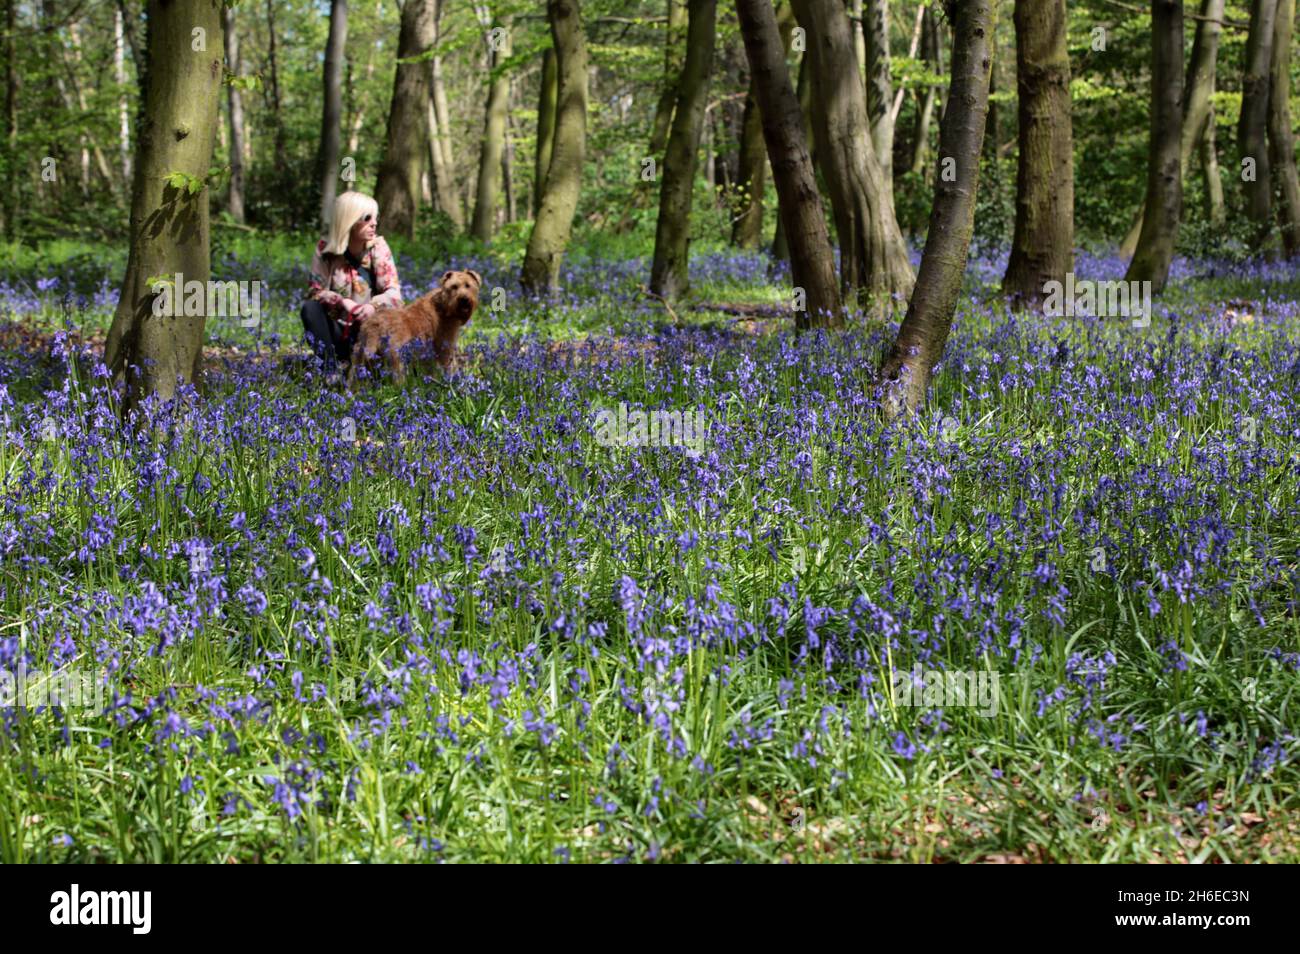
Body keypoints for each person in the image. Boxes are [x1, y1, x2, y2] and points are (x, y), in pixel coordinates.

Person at [301, 191, 403, 376]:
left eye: (375, 217)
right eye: (367, 218)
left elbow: (394, 294)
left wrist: (373, 306)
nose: (374, 223)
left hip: (371, 330)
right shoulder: (326, 249)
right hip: (338, 330)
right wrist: (342, 302)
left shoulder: (378, 247)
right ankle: (329, 370)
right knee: (310, 308)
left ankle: (378, 368)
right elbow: (314, 292)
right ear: (349, 220)